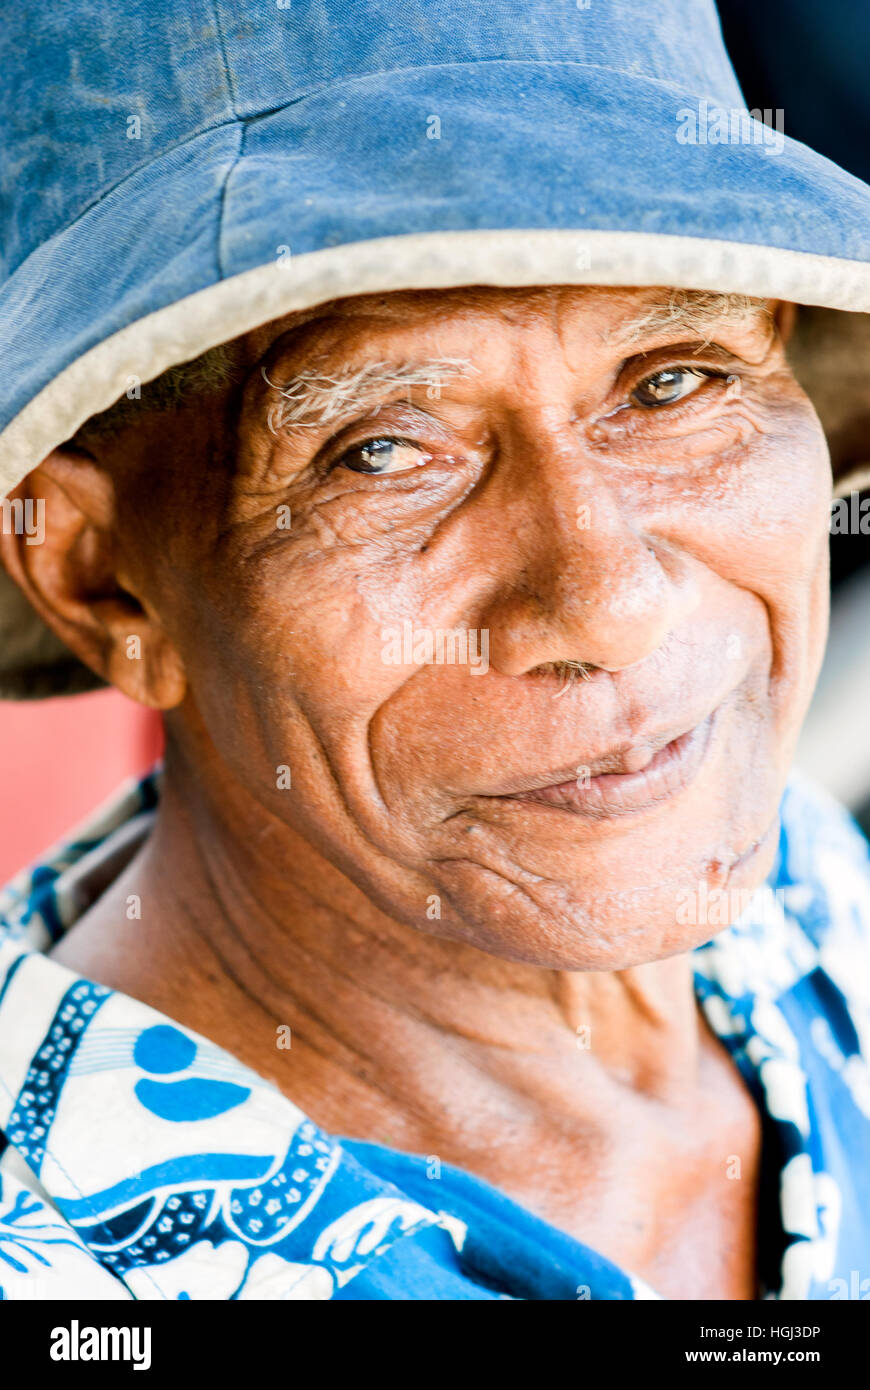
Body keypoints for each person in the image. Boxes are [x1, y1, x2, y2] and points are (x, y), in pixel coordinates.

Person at [0, 0, 869, 1302]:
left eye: (673, 377)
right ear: (102, 574)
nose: (609, 601)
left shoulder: (797, 882)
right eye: (385, 450)